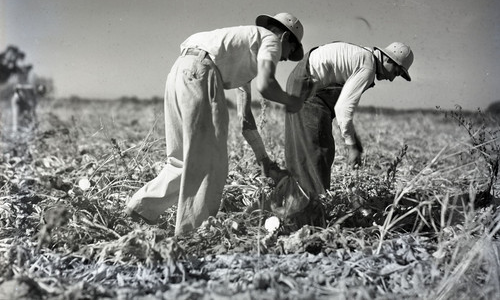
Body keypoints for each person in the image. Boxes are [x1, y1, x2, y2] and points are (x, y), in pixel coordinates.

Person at [126, 12, 306, 235]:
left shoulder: (245, 48)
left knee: (182, 160)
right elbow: (267, 85)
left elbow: (246, 119)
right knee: (210, 162)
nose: (284, 59)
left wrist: (264, 160)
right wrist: (293, 101)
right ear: (286, 38)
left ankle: (141, 208)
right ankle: (194, 234)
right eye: (289, 53)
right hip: (203, 73)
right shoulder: (270, 39)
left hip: (180, 71)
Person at [271, 41, 414, 223]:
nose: (393, 78)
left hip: (301, 81)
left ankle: (291, 207)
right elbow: (343, 109)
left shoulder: (363, 56)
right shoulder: (367, 67)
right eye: (395, 72)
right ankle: (311, 215)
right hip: (308, 88)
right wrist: (352, 145)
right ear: (387, 59)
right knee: (317, 152)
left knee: (300, 150)